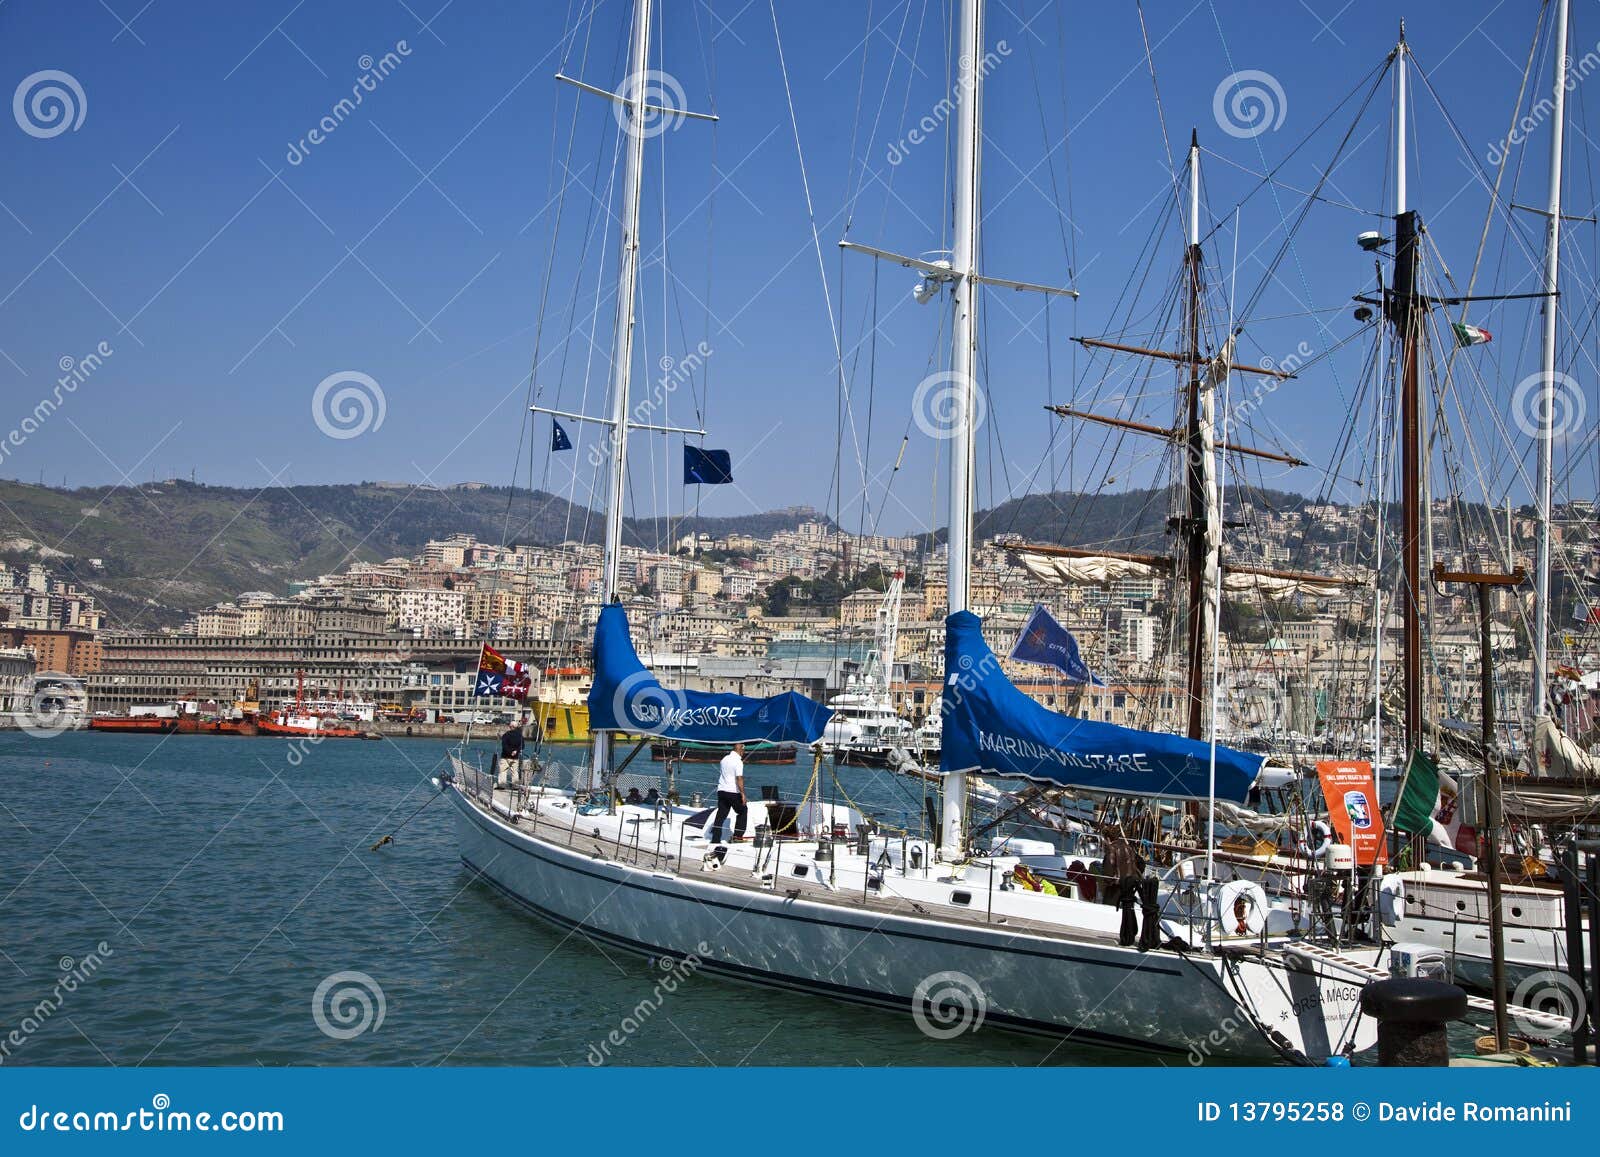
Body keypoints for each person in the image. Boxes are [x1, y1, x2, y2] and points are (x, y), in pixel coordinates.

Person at [709, 742, 747, 844]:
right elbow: (739, 778)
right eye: (743, 751)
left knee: (721, 815)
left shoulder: (724, 759)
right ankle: (738, 837)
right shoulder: (738, 762)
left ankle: (715, 839)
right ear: (740, 750)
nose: (744, 753)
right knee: (742, 811)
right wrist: (743, 794)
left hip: (721, 791)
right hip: (733, 792)